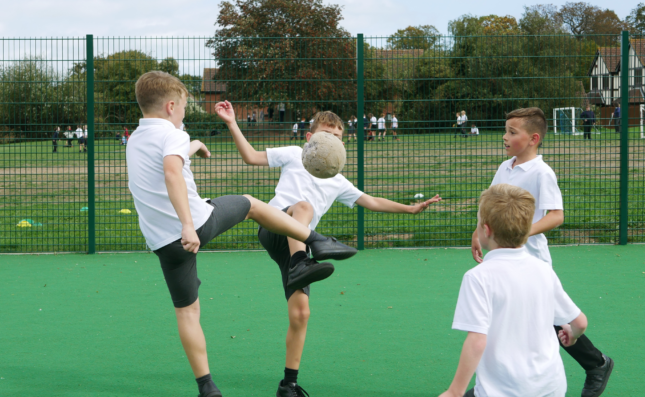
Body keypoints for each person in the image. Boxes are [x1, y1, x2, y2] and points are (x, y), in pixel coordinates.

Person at [126, 72, 355, 397]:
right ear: (170, 106)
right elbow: (170, 170)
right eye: (183, 110)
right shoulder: (172, 132)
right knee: (249, 204)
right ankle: (313, 242)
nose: (183, 117)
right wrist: (189, 225)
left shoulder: (135, 138)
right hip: (195, 225)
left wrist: (195, 145)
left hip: (163, 244)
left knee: (188, 312)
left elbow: (160, 161)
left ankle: (207, 387)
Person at [214, 105, 442, 397]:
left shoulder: (336, 179)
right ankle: (301, 261)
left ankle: (289, 385)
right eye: (325, 134)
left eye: (337, 136)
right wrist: (232, 123)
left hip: (298, 243)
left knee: (301, 313)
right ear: (309, 137)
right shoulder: (295, 154)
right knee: (304, 207)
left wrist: (410, 209)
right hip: (273, 226)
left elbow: (371, 201)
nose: (332, 140)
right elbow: (250, 156)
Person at [470, 107, 614, 397]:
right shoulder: (505, 167)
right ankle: (494, 384)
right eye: (506, 130)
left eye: (513, 132)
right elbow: (490, 205)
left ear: (533, 138)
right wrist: (478, 231)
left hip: (532, 259)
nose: (505, 137)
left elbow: (556, 216)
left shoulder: (541, 172)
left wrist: (521, 233)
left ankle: (597, 364)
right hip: (506, 257)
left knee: (553, 320)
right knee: (515, 317)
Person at [441, 184, 588, 397]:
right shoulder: (542, 269)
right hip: (551, 387)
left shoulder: (478, 277)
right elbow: (580, 323)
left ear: (487, 229)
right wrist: (572, 336)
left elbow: (477, 340)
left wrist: (455, 391)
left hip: (503, 390)